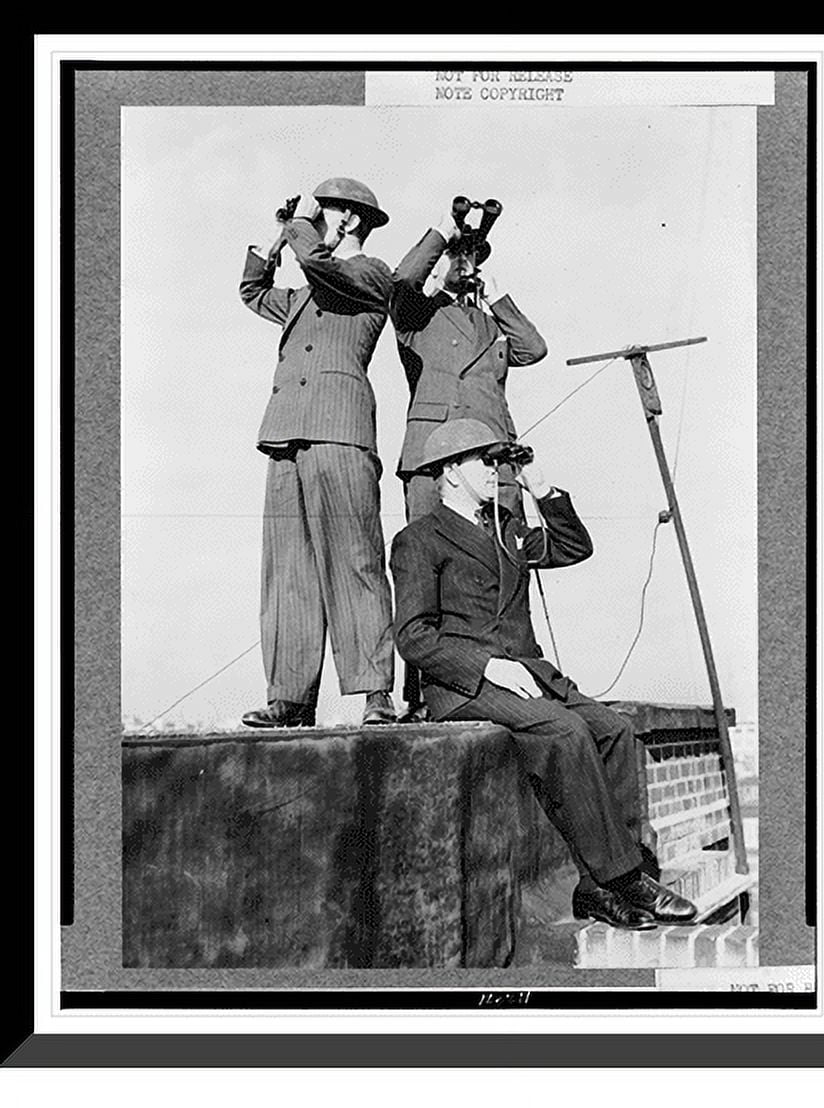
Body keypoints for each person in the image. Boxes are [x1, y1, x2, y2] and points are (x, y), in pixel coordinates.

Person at [389, 419, 697, 929]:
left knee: (614, 729)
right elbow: (414, 636)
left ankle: (596, 888)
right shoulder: (418, 540)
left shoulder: (507, 528)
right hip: (468, 684)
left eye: (498, 460)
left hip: (528, 674)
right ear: (448, 471)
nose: (495, 470)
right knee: (566, 730)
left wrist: (544, 491)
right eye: (482, 461)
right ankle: (626, 878)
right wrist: (487, 665)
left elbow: (573, 548)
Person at [238, 178, 396, 729]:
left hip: (341, 431)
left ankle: (375, 690)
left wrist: (302, 229)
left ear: (348, 219)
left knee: (354, 558)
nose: (311, 217)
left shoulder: (371, 274)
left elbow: (324, 269)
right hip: (286, 433)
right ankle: (290, 698)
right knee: (288, 572)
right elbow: (254, 292)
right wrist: (279, 233)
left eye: (322, 211)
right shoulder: (304, 290)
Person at [390, 203, 548, 713]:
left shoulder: (490, 323)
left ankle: (512, 677)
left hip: (492, 462)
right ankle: (423, 697)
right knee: (427, 582)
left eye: (473, 259)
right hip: (438, 460)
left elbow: (535, 348)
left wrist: (497, 295)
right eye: (459, 259)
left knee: (503, 569)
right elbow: (402, 282)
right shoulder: (418, 317)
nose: (466, 268)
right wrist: (441, 240)